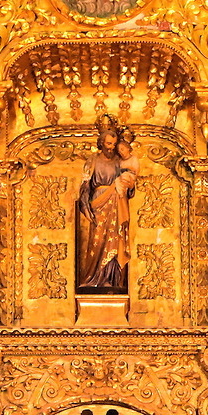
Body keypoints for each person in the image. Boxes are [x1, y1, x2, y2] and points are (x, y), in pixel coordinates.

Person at [77, 117, 139, 292]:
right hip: (99, 203)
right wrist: (86, 207)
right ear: (101, 143)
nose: (111, 147)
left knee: (116, 240)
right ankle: (93, 278)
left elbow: (129, 185)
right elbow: (85, 187)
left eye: (113, 144)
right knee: (97, 242)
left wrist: (129, 185)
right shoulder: (92, 161)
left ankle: (112, 280)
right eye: (108, 144)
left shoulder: (119, 162)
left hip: (117, 204)